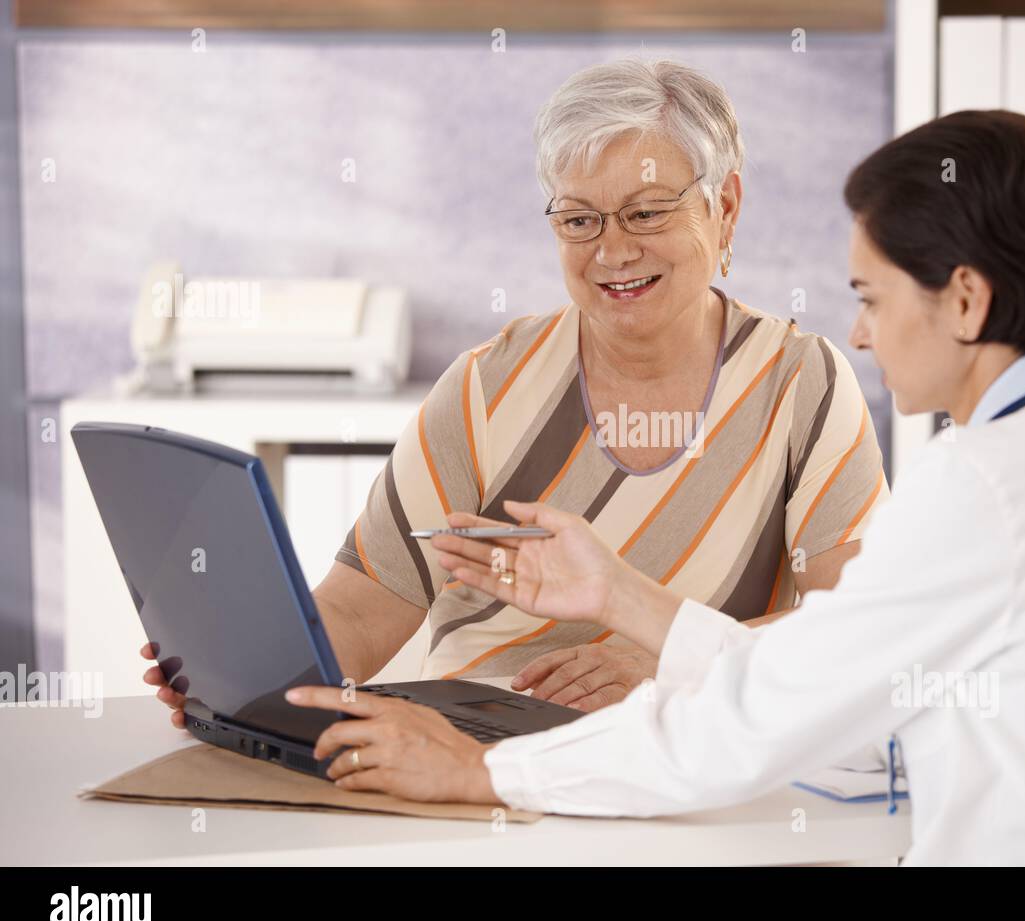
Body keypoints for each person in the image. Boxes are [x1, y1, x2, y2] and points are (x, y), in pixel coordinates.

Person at [288, 110, 1025, 865]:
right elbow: (832, 687)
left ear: (965, 300)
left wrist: (484, 769)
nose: (864, 334)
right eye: (580, 219)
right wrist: (619, 594)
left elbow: (753, 725)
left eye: (872, 298)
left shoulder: (985, 486)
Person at [141, 58, 887, 719]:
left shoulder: (804, 386)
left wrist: (676, 662)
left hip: (692, 758)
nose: (613, 251)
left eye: (646, 212)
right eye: (579, 220)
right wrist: (244, 679)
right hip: (475, 756)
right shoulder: (486, 388)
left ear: (724, 208)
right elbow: (361, 611)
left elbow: (857, 629)